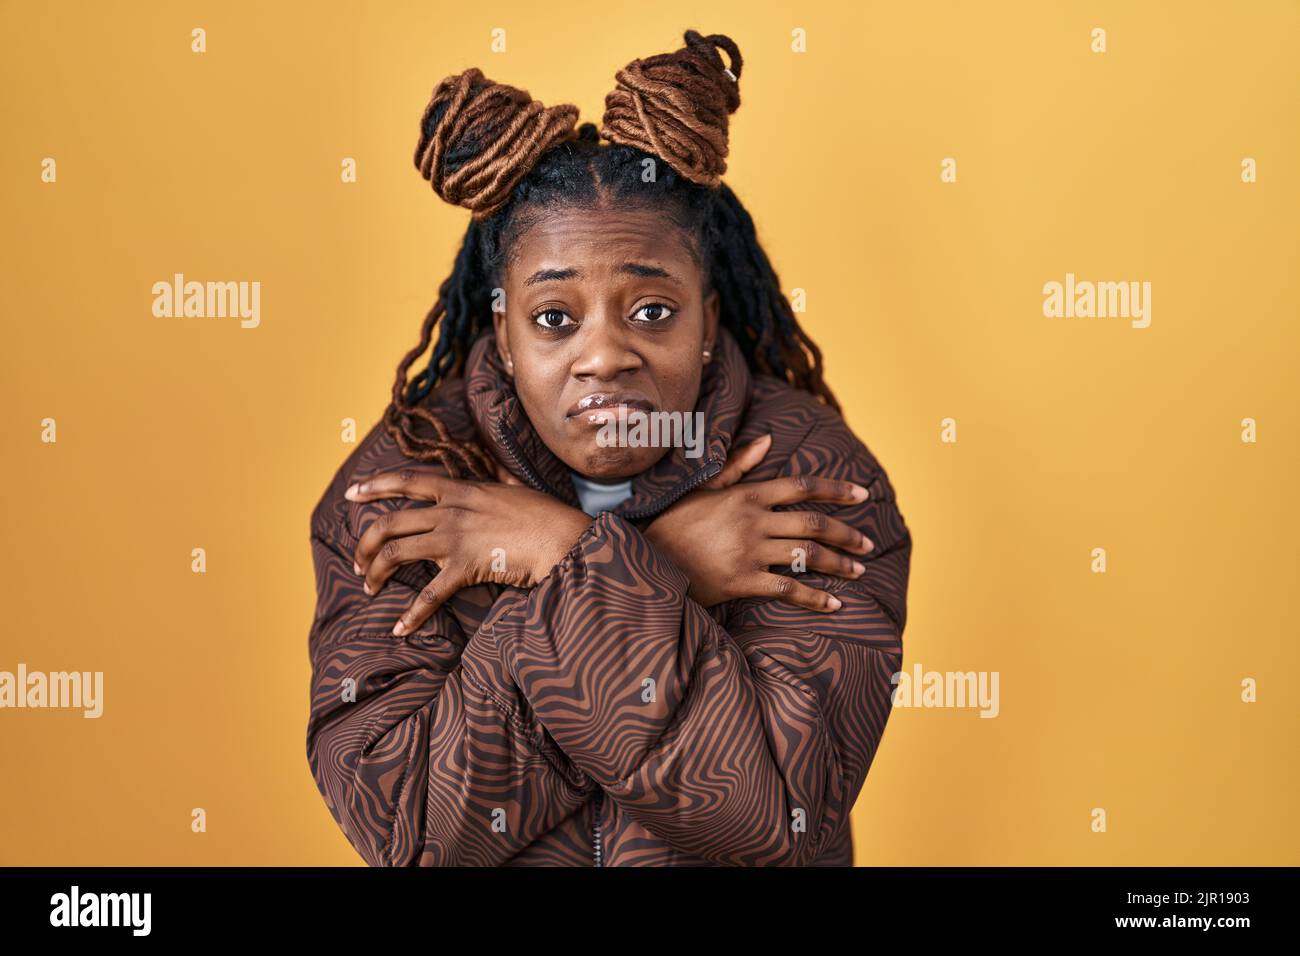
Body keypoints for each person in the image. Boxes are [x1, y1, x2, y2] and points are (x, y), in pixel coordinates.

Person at [305, 30, 912, 866]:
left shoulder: (810, 476)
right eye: (555, 319)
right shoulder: (406, 487)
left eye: (653, 312)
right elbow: (413, 827)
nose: (604, 356)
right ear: (505, 334)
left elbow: (773, 817)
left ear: (706, 318)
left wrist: (564, 554)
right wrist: (656, 568)